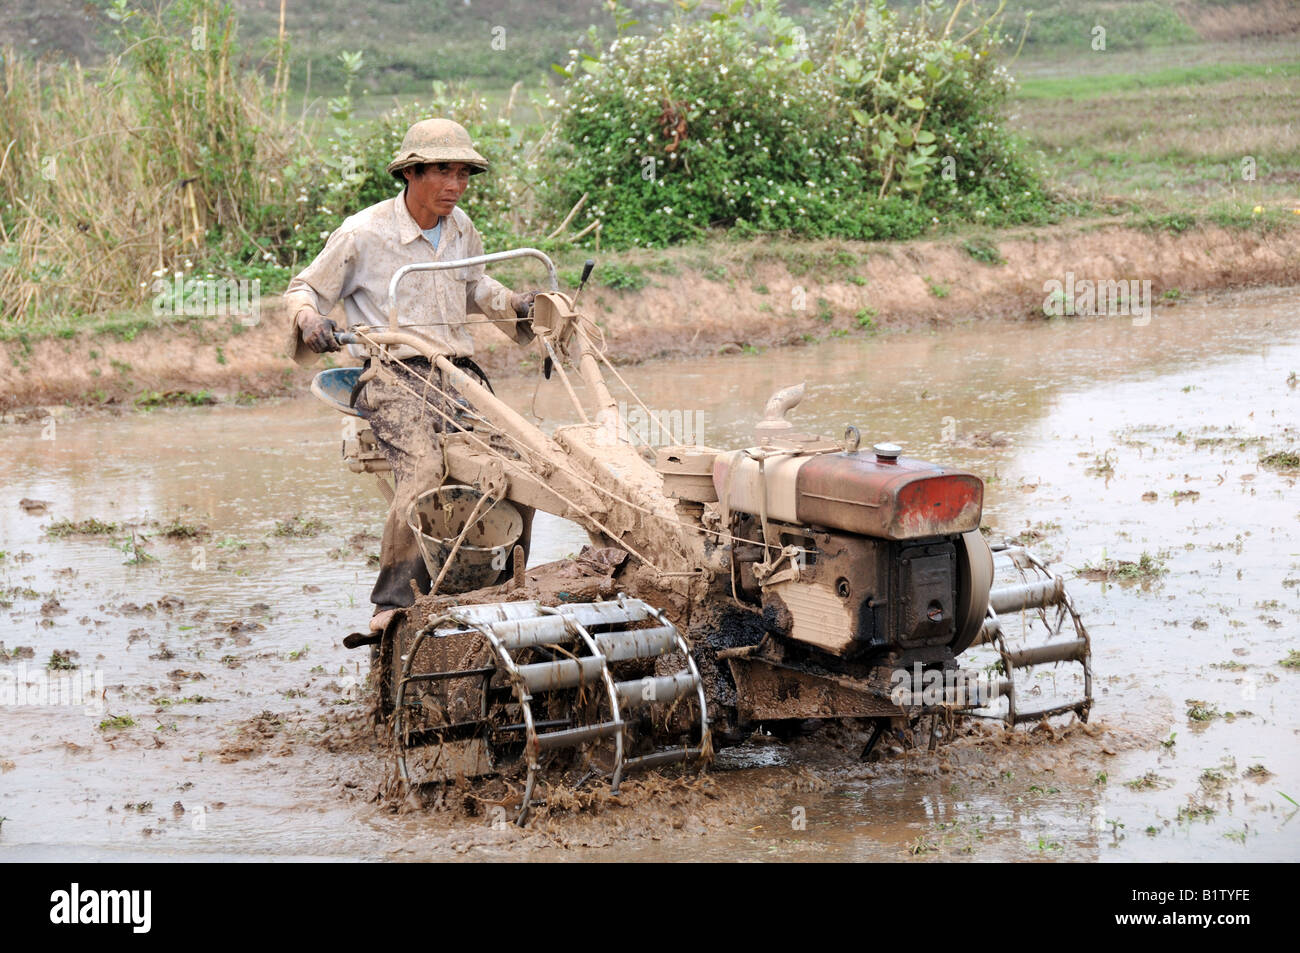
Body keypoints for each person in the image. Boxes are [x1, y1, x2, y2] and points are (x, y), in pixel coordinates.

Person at [285, 118, 537, 632]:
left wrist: (516, 303)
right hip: (394, 373)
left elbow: (474, 284)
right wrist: (310, 319)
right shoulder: (363, 234)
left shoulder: (462, 227)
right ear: (412, 173)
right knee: (423, 471)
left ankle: (504, 582)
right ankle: (393, 601)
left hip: (458, 373)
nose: (455, 185)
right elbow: (303, 288)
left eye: (464, 173)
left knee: (524, 467)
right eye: (443, 171)